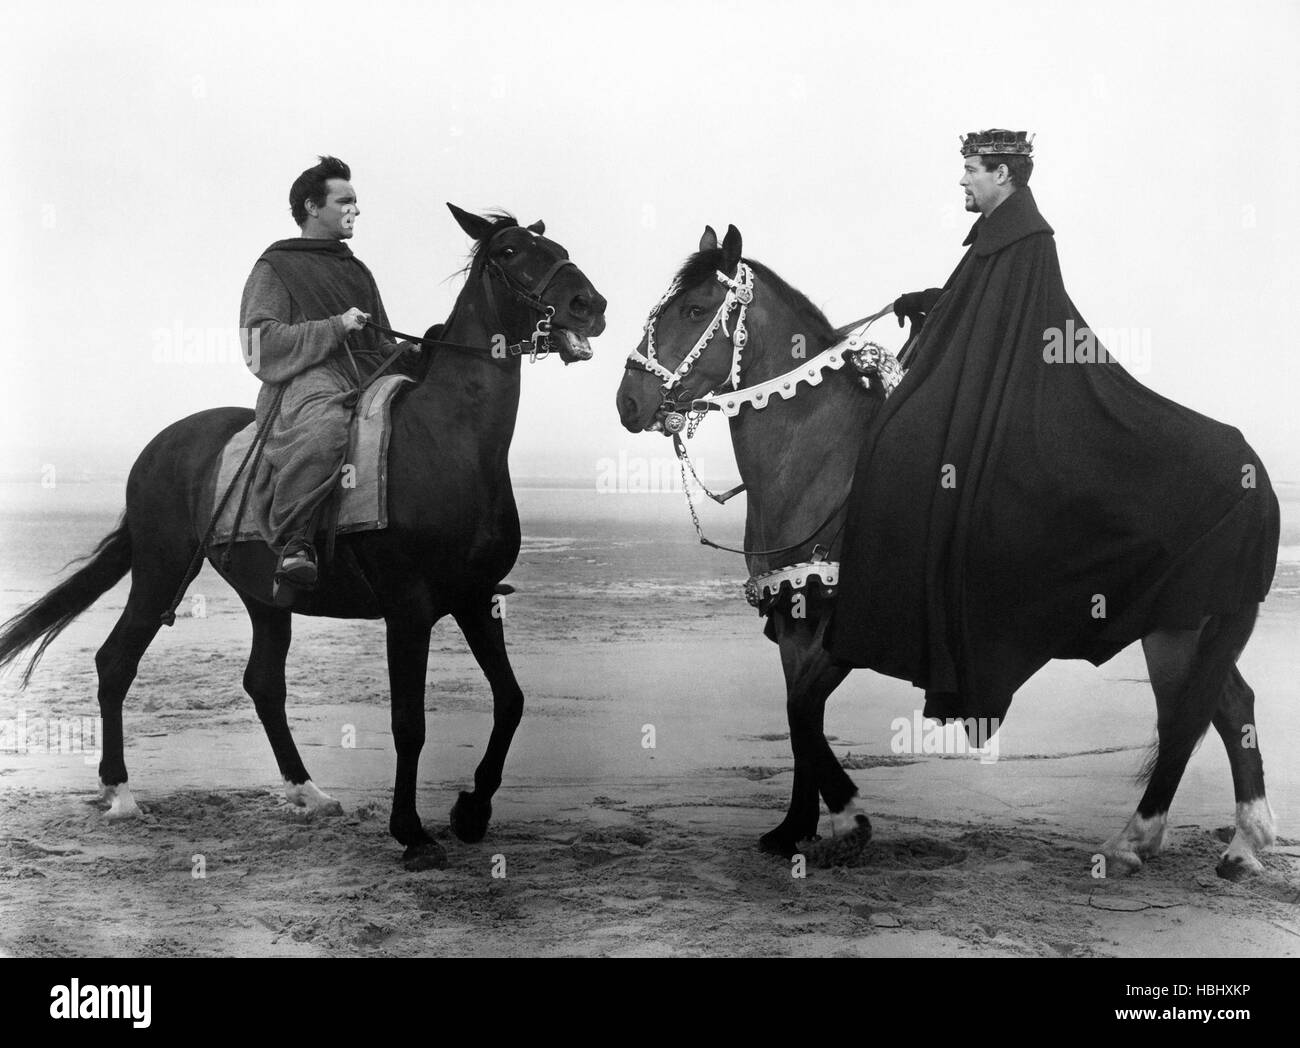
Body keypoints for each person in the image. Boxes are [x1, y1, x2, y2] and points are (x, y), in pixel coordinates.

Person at [826, 129, 1278, 729]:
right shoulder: (998, 237)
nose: (962, 181)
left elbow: (1019, 322)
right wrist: (938, 299)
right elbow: (987, 307)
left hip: (1025, 398)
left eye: (972, 170)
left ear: (1004, 175)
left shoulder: (1027, 239)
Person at [240, 155, 420, 589]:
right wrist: (335, 327)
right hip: (308, 379)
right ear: (311, 207)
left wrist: (410, 352)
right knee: (323, 434)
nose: (354, 210)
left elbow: (378, 344)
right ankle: (296, 542)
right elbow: (258, 344)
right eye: (345, 201)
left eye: (356, 202)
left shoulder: (357, 270)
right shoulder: (276, 266)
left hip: (367, 372)